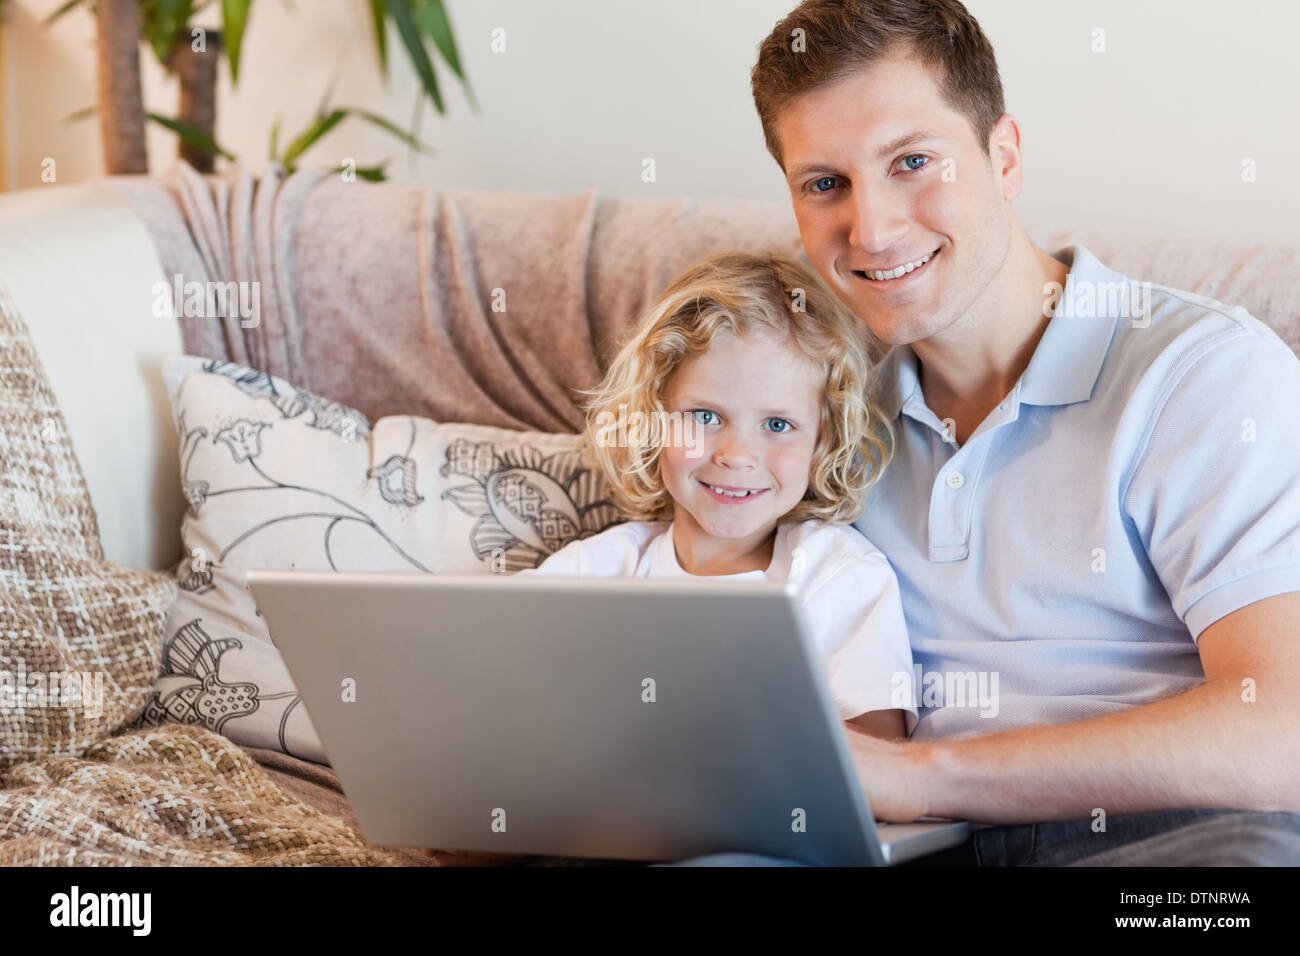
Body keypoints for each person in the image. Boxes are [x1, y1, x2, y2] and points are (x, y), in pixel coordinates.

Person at [693, 0, 1300, 866]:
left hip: (1166, 844)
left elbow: (1283, 731)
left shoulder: (1200, 374)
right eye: (825, 183)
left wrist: (923, 777)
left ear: (1004, 155)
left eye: (911, 162)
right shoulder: (813, 405)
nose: (872, 229)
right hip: (899, 847)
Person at [518, 251, 917, 742]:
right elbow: (492, 688)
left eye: (777, 425)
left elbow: (881, 751)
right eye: (705, 417)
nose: (736, 455)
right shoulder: (592, 571)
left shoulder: (835, 574)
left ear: (824, 440)